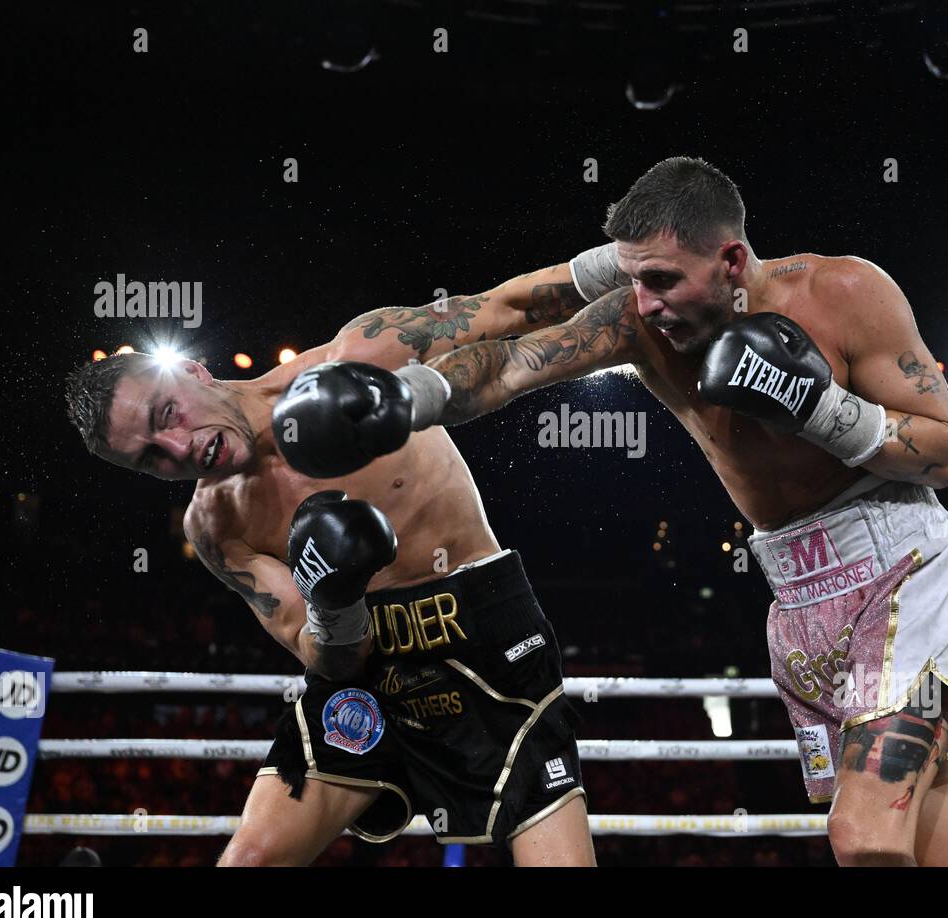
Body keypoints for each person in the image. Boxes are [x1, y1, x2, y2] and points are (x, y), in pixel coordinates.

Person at [361, 157, 948, 866]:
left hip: (901, 571)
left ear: (732, 259)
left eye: (663, 280)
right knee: (945, 844)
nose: (642, 302)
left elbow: (944, 454)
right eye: (634, 279)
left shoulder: (843, 292)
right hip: (798, 591)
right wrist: (407, 397)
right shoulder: (635, 326)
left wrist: (820, 408)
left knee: (866, 840)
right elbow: (513, 365)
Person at [64, 255, 616, 866]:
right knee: (250, 861)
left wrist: (633, 264)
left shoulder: (355, 356)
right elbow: (319, 651)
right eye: (151, 459)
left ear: (193, 369)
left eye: (166, 415)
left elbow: (507, 307)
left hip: (485, 634)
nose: (177, 448)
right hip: (369, 679)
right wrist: (334, 601)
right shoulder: (216, 525)